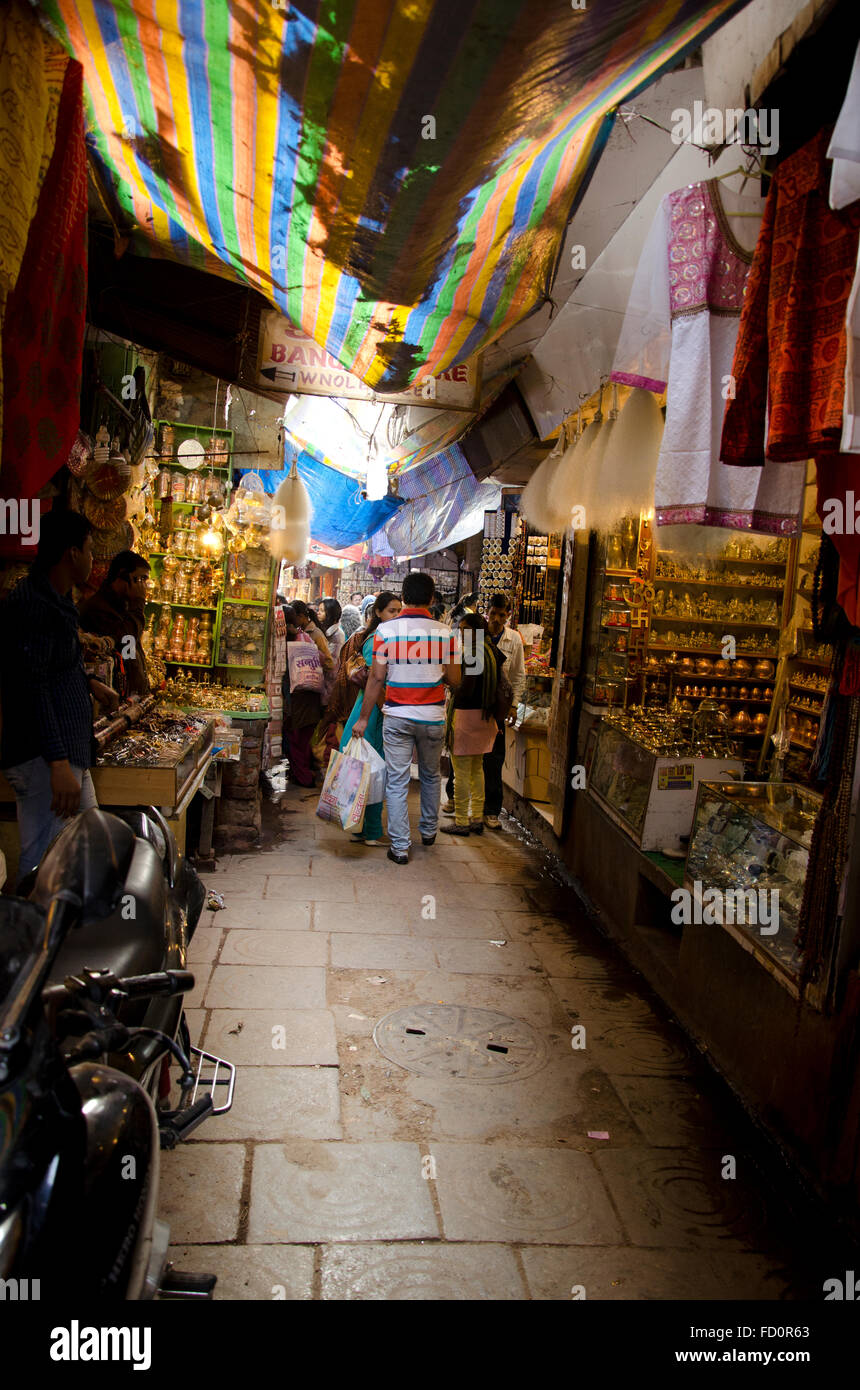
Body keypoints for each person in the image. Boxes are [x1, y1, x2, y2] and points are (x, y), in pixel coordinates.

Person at [0, 508, 119, 884]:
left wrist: (87, 682)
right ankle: (32, 937)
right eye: (88, 549)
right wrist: (56, 764)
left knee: (90, 849)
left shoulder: (55, 601)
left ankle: (69, 936)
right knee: (44, 863)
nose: (91, 559)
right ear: (71, 553)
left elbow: (51, 668)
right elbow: (33, 687)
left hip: (64, 756)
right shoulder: (35, 605)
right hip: (45, 760)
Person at [353, 571, 460, 864]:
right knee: (429, 775)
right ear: (431, 598)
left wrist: (363, 720)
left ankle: (400, 847)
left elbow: (376, 680)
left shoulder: (385, 632)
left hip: (397, 717)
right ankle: (428, 830)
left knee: (397, 780)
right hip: (432, 717)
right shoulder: (446, 633)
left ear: (403, 597)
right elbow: (455, 678)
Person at [442, 591, 525, 826]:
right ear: (486, 614)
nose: (497, 619)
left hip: (473, 715)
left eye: (502, 615)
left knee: (467, 765)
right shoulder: (490, 649)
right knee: (477, 767)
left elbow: (467, 687)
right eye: (492, 614)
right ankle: (476, 815)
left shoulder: (480, 650)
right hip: (486, 714)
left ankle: (463, 819)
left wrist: (450, 682)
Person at [337, 591, 402, 846]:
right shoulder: (378, 638)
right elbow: (376, 679)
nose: (397, 615)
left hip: (370, 705)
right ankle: (372, 830)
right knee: (375, 768)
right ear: (378, 612)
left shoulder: (379, 636)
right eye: (392, 611)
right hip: (374, 707)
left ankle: (358, 826)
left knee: (365, 766)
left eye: (400, 610)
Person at [78, 549, 151, 697]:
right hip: (112, 696)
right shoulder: (98, 608)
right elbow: (126, 639)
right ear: (124, 575)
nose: (143, 586)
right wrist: (138, 603)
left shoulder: (123, 607)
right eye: (140, 579)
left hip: (129, 695)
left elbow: (130, 651)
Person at [281, 603, 331, 786]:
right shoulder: (305, 636)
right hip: (311, 693)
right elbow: (323, 660)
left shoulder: (288, 638)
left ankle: (304, 777)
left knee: (296, 740)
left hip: (298, 696)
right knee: (303, 739)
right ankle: (304, 774)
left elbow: (329, 662)